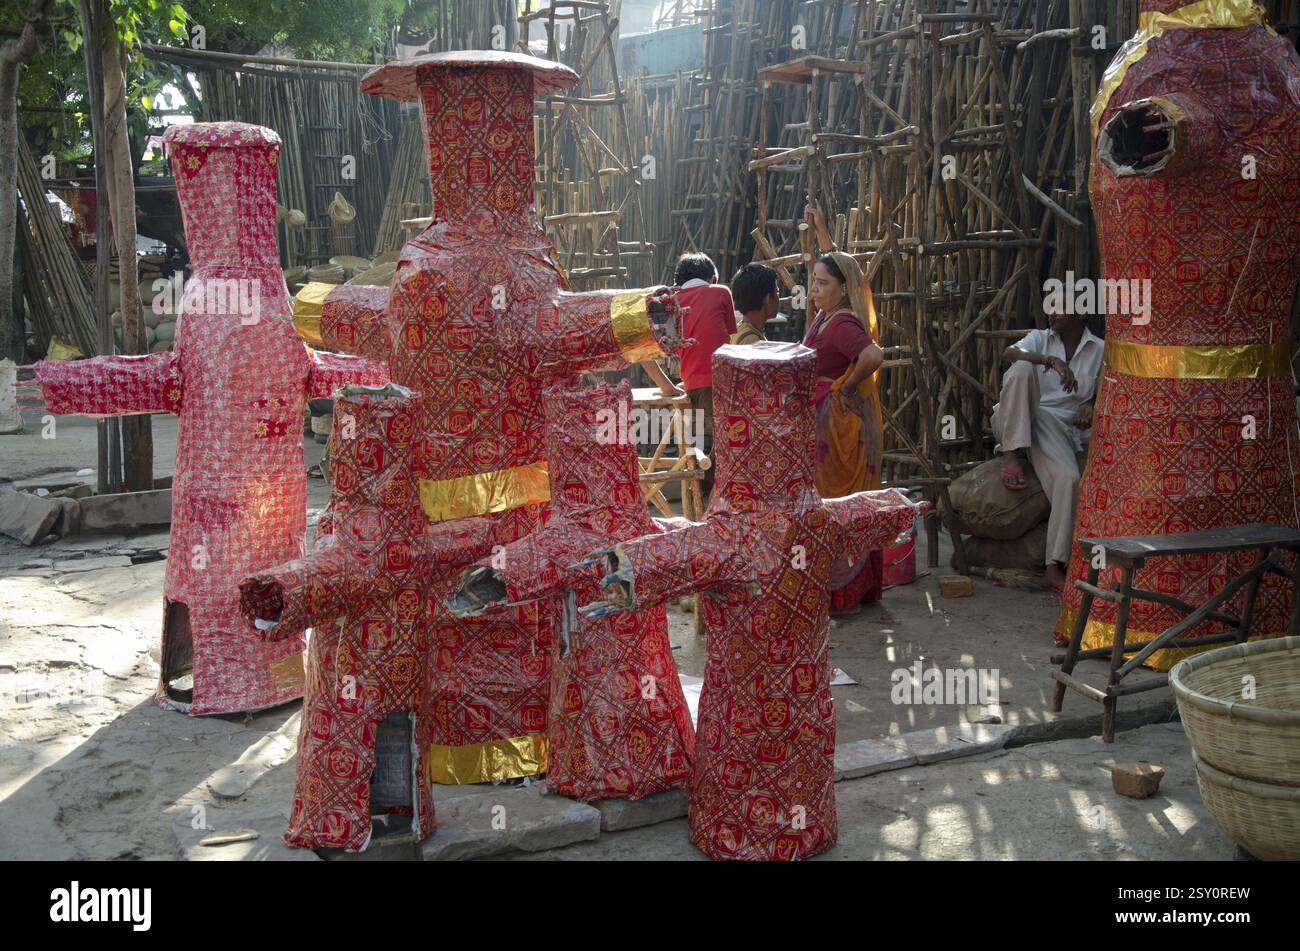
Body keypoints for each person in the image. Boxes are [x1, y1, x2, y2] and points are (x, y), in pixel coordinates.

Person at [802, 198, 886, 617]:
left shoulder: (843, 322)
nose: (813, 290)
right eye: (813, 282)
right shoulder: (827, 314)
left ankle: (845, 595)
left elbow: (873, 356)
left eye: (820, 284)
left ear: (841, 289)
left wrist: (843, 387)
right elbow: (840, 267)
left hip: (840, 434)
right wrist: (821, 233)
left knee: (839, 509)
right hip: (830, 432)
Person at [992, 313, 1103, 591]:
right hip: (1019, 415)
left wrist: (1092, 404)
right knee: (1020, 368)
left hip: (1057, 427)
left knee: (1068, 479)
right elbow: (1009, 352)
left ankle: (1054, 563)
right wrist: (1049, 361)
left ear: (1081, 313)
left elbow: (1110, 389)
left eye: (1061, 306)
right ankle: (1010, 453)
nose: (1053, 312)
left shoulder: (1101, 350)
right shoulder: (1040, 339)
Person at [673, 252, 736, 497]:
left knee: (702, 441)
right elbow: (729, 333)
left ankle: (700, 495)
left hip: (690, 382)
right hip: (719, 381)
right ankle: (709, 496)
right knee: (721, 445)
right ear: (711, 277)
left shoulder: (672, 301)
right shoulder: (721, 292)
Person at [729, 263, 779, 345]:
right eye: (777, 292)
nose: (778, 298)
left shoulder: (738, 330)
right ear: (767, 298)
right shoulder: (752, 341)